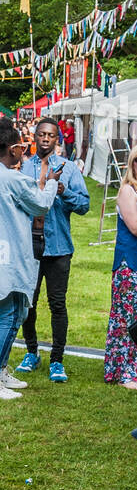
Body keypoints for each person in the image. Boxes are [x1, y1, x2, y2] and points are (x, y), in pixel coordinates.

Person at [0, 119, 60, 399]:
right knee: (9, 316)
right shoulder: (11, 178)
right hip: (8, 255)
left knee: (17, 313)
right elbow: (41, 204)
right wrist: (51, 183)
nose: (23, 151)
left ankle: (0, 369)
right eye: (21, 146)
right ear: (12, 149)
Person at [15, 117, 90, 381]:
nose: (46, 138)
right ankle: (31, 352)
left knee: (57, 304)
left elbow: (84, 205)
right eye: (42, 134)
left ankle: (57, 360)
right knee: (28, 303)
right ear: (35, 137)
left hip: (58, 247)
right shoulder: (24, 168)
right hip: (29, 246)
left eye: (51, 135)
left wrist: (64, 192)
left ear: (57, 139)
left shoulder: (68, 168)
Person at [103, 145, 137, 389]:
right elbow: (134, 227)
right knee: (125, 319)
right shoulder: (127, 190)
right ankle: (123, 371)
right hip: (129, 264)